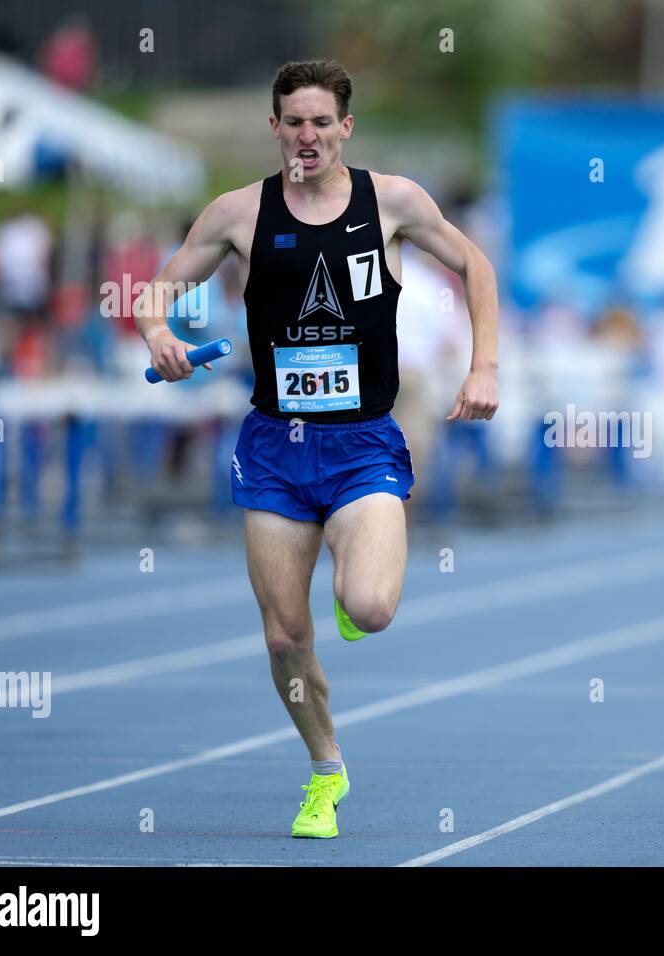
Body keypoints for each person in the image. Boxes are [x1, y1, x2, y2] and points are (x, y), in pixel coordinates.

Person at [136, 60, 499, 838]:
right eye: (293, 122)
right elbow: (157, 292)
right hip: (274, 447)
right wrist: (161, 333)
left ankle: (351, 576)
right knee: (282, 635)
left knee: (368, 606)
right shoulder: (238, 213)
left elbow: (475, 264)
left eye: (320, 122)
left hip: (363, 440)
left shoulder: (393, 201)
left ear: (345, 128)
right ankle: (325, 771)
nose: (307, 136)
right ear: (275, 128)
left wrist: (486, 366)